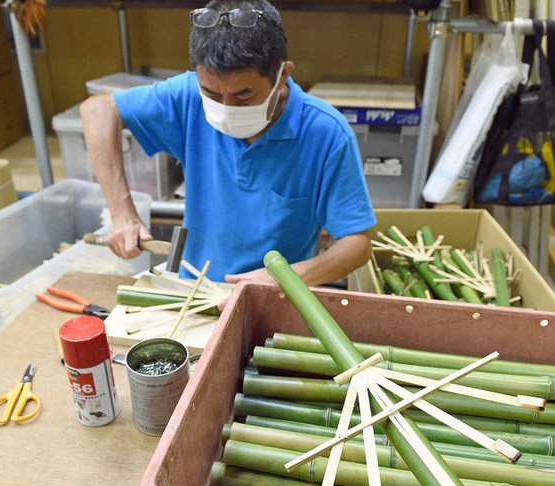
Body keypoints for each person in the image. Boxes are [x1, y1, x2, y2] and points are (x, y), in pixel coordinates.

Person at [80, 0, 377, 289]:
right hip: (195, 291)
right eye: (212, 93)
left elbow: (357, 243)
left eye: (243, 96)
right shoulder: (188, 97)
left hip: (276, 298)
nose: (226, 106)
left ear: (282, 75)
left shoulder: (325, 132)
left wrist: (283, 279)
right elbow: (98, 110)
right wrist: (122, 215)